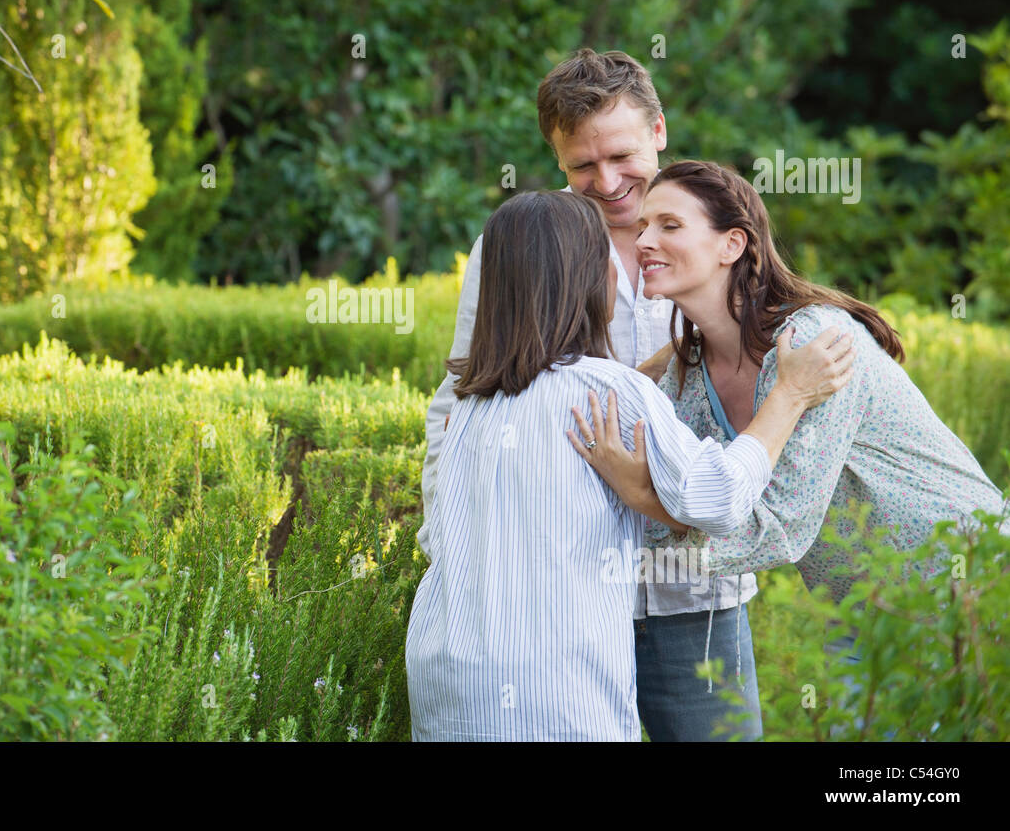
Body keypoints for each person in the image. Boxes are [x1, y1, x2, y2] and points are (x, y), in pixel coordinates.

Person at [423, 48, 782, 741]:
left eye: (621, 156)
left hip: (690, 588)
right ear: (557, 160)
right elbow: (461, 400)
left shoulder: (720, 235)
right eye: (582, 167)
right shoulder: (519, 250)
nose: (609, 182)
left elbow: (758, 382)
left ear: (659, 131)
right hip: (558, 593)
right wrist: (450, 547)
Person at [405, 189, 854, 741]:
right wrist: (789, 395)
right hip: (562, 701)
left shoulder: (471, 407)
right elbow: (717, 497)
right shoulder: (605, 388)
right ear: (593, 280)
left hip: (448, 685)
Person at [569, 160, 1009, 646]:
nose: (644, 240)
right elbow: (706, 509)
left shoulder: (812, 344)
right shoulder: (686, 379)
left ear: (731, 244)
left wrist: (642, 498)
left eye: (669, 225)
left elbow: (779, 524)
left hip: (973, 593)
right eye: (645, 226)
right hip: (867, 622)